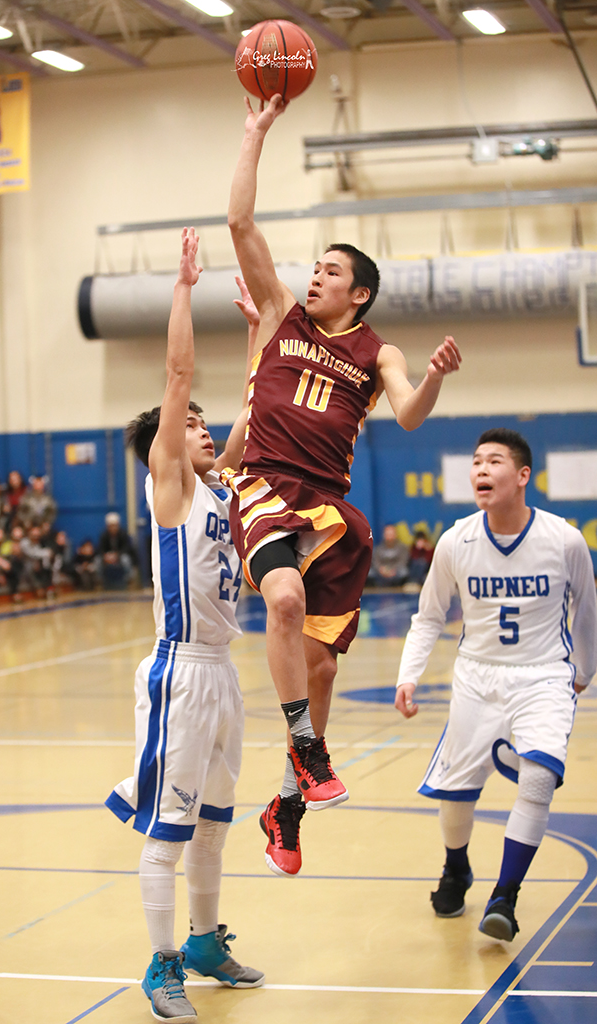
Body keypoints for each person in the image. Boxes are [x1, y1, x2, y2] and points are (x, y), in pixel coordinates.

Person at [225, 92, 462, 877]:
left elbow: (411, 417)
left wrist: (427, 377)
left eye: (330, 270)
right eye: (314, 268)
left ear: (358, 291)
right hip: (263, 484)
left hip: (328, 507)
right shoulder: (280, 316)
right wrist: (254, 132)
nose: (314, 276)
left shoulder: (374, 349)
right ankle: (306, 747)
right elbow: (240, 225)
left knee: (322, 664)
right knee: (283, 602)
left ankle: (285, 808)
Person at [105, 229, 262, 1023]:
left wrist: (258, 331)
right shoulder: (170, 484)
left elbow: (255, 414)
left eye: (204, 424)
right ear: (165, 444)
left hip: (222, 672)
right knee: (167, 832)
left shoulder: (221, 488)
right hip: (178, 670)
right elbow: (176, 374)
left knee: (214, 824)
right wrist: (181, 287)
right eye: (191, 423)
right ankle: (160, 964)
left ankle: (203, 942)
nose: (203, 428)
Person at [395, 428, 597, 941]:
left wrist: (584, 671)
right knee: (457, 790)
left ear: (523, 475)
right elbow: (429, 615)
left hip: (543, 673)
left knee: (536, 780)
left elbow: (587, 611)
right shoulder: (456, 540)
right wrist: (409, 675)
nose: (481, 470)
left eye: (494, 462)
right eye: (477, 462)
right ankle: (456, 865)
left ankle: (505, 895)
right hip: (477, 676)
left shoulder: (565, 539)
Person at [97, 511, 137, 589]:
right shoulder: (103, 535)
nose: (113, 528)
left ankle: (129, 580)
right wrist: (106, 556)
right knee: (97, 561)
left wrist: (117, 555)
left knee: (126, 560)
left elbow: (127, 548)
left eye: (115, 525)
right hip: (108, 557)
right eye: (111, 526)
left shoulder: (123, 534)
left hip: (120, 556)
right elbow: (100, 548)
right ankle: (100, 581)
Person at [367, 523, 410, 587]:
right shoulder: (378, 549)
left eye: (391, 534)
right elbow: (375, 561)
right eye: (388, 534)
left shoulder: (402, 548)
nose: (389, 536)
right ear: (384, 535)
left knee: (404, 572)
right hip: (381, 573)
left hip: (396, 572)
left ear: (395, 534)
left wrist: (393, 570)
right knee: (369, 573)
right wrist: (381, 570)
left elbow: (403, 561)